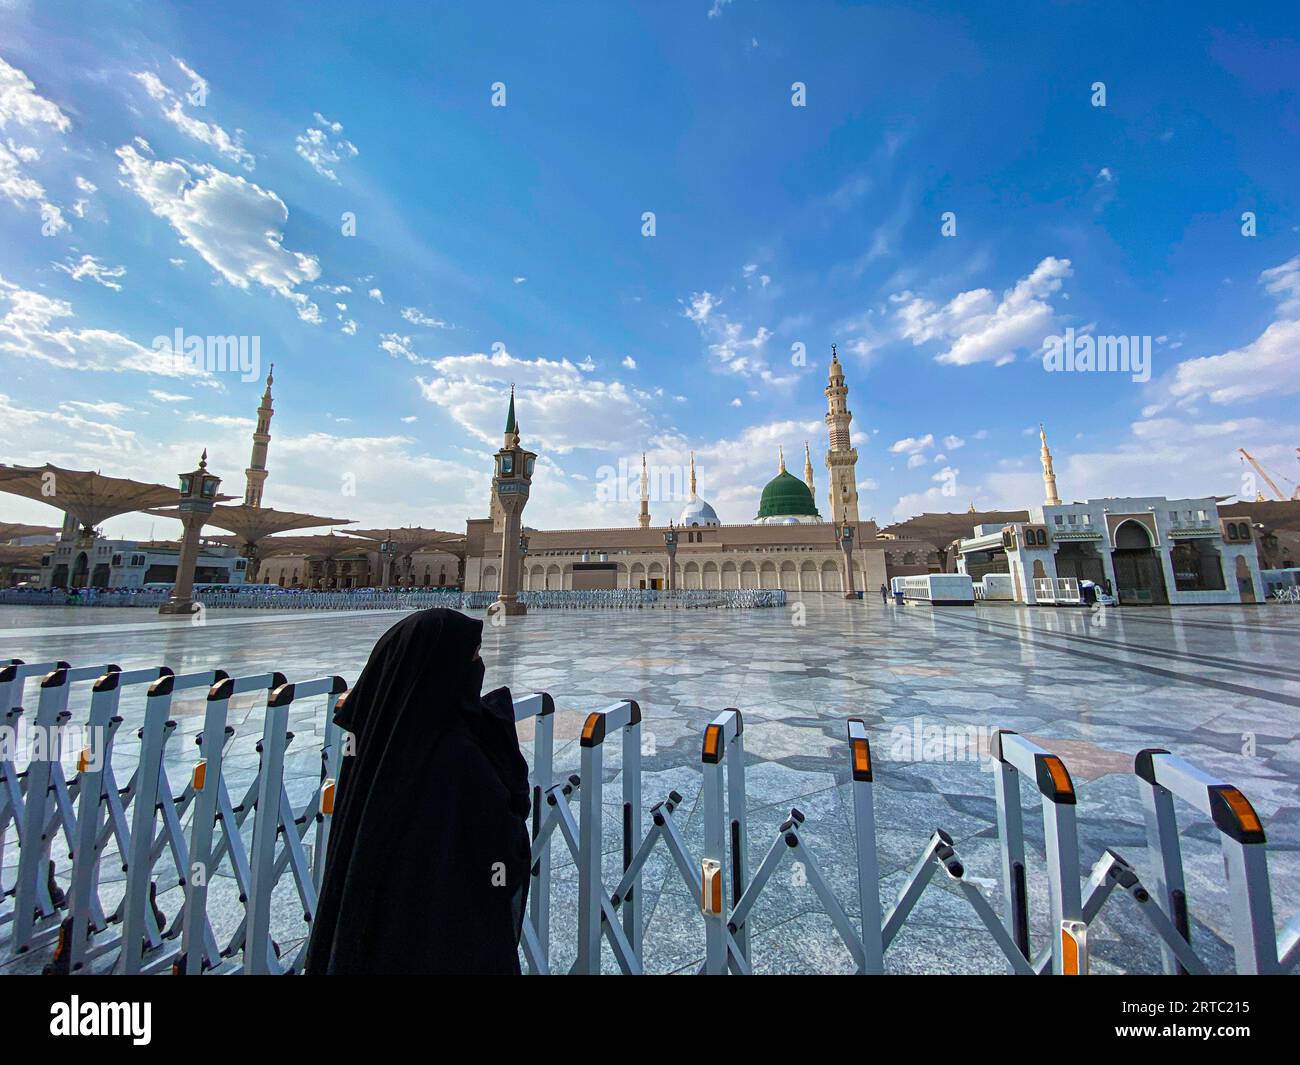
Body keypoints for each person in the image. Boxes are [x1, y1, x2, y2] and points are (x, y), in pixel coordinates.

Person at [305, 608, 532, 975]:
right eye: (472, 656)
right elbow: (503, 840)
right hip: (438, 941)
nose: (479, 664)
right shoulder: (456, 758)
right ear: (442, 669)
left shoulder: (374, 748)